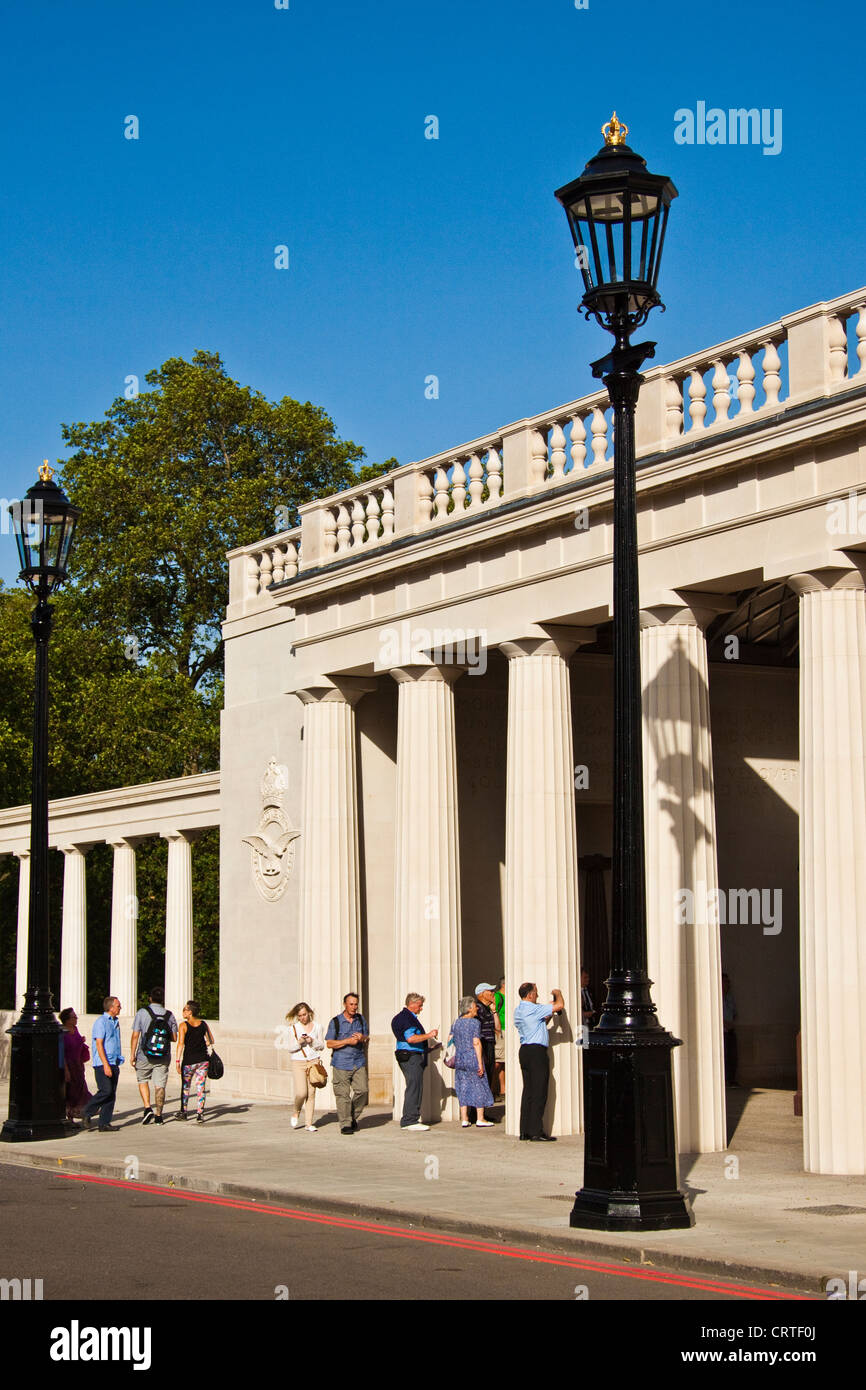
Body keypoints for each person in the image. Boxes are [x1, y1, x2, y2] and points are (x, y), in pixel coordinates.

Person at [513, 981, 565, 1142]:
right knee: (539, 1092)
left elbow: (539, 1024)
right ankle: (536, 1131)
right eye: (536, 992)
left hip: (525, 1050)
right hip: (537, 1052)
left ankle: (524, 1130)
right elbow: (560, 1005)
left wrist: (547, 1016)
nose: (538, 995)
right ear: (529, 995)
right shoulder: (533, 1008)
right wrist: (557, 993)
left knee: (528, 1091)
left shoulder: (518, 1010)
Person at [130, 986, 178, 1125]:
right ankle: (159, 1115)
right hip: (163, 1056)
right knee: (160, 1085)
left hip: (144, 1054)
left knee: (143, 1080)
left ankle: (147, 1107)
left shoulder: (142, 1012)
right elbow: (174, 1038)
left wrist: (132, 1054)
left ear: (150, 998)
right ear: (163, 999)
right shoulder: (169, 1015)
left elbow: (135, 1035)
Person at [392, 992, 438, 1131]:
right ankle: (410, 1120)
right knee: (414, 1086)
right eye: (419, 1005)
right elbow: (411, 1038)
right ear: (412, 1004)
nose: (421, 1008)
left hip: (408, 1054)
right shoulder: (407, 1019)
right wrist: (429, 1035)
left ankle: (409, 1119)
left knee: (413, 1085)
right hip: (410, 1057)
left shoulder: (401, 1017)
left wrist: (428, 1048)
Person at [325, 993, 370, 1134]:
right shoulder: (336, 1022)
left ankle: (351, 1117)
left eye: (356, 1004)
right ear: (345, 1004)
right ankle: (345, 1124)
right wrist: (347, 1041)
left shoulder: (360, 1020)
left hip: (358, 1061)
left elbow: (367, 1037)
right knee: (342, 1095)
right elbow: (329, 1043)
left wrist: (362, 1037)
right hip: (341, 1063)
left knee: (363, 1090)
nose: (354, 1007)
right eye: (351, 1004)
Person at [81, 996, 124, 1132]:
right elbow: (99, 1043)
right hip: (102, 1063)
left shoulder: (115, 1022)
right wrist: (105, 1064)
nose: (120, 1008)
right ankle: (87, 1110)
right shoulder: (101, 1022)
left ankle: (104, 1123)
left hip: (114, 1061)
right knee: (106, 1090)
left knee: (111, 1094)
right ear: (111, 1007)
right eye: (118, 1006)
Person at [451, 996, 494, 1127]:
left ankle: (464, 1118)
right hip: (472, 1057)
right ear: (469, 1008)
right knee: (479, 1084)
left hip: (459, 1057)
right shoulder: (475, 1023)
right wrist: (480, 1063)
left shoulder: (456, 1022)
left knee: (462, 1086)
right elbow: (476, 1042)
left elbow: (450, 1038)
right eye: (475, 1006)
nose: (477, 1008)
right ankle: (480, 1118)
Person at [285, 1001, 325, 1131]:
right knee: (302, 1092)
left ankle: (309, 1123)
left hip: (313, 1061)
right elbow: (290, 1048)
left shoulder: (318, 1027)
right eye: (300, 1016)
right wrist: (299, 1043)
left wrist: (312, 1041)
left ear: (309, 1013)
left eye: (304, 1014)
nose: (303, 1018)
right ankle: (296, 1110)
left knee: (311, 1093)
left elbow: (322, 1046)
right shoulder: (293, 1029)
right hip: (298, 1061)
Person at [176, 1001, 214, 1123]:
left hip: (189, 1061)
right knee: (200, 1087)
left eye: (185, 1009)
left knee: (185, 1087)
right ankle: (200, 1113)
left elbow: (180, 1044)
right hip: (203, 1060)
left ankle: (184, 1111)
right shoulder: (203, 1024)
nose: (183, 1012)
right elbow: (210, 1040)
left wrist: (177, 1060)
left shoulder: (183, 1025)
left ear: (190, 1012)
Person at [467, 982, 497, 1123]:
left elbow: (497, 1028)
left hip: (489, 1044)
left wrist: (494, 1011)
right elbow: (475, 1029)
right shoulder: (478, 1008)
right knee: (482, 1078)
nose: (493, 993)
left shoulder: (487, 1008)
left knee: (488, 1077)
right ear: (481, 994)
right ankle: (475, 1113)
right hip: (483, 1045)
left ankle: (481, 1112)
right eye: (490, 991)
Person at [60, 1008, 91, 1120]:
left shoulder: (75, 1029)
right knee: (70, 1092)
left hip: (78, 1065)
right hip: (68, 1065)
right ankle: (70, 1118)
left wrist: (81, 1041)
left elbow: (77, 1043)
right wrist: (66, 1070)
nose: (76, 1019)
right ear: (67, 1019)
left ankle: (82, 1112)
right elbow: (62, 1051)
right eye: (74, 1017)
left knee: (81, 1090)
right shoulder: (62, 1032)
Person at [722, 972, 739, 1087]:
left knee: (732, 1055)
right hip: (722, 1031)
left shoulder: (730, 997)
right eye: (726, 982)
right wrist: (724, 1023)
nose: (728, 984)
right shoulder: (717, 997)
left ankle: (731, 1079)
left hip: (730, 1030)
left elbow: (734, 1013)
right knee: (725, 1056)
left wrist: (731, 1023)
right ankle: (724, 1080)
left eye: (728, 982)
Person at [493, 977, 506, 1101]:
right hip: (500, 1031)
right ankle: (492, 1089)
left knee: (504, 1062)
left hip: (507, 1030)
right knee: (498, 1061)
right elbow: (494, 1011)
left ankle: (503, 1090)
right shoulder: (498, 996)